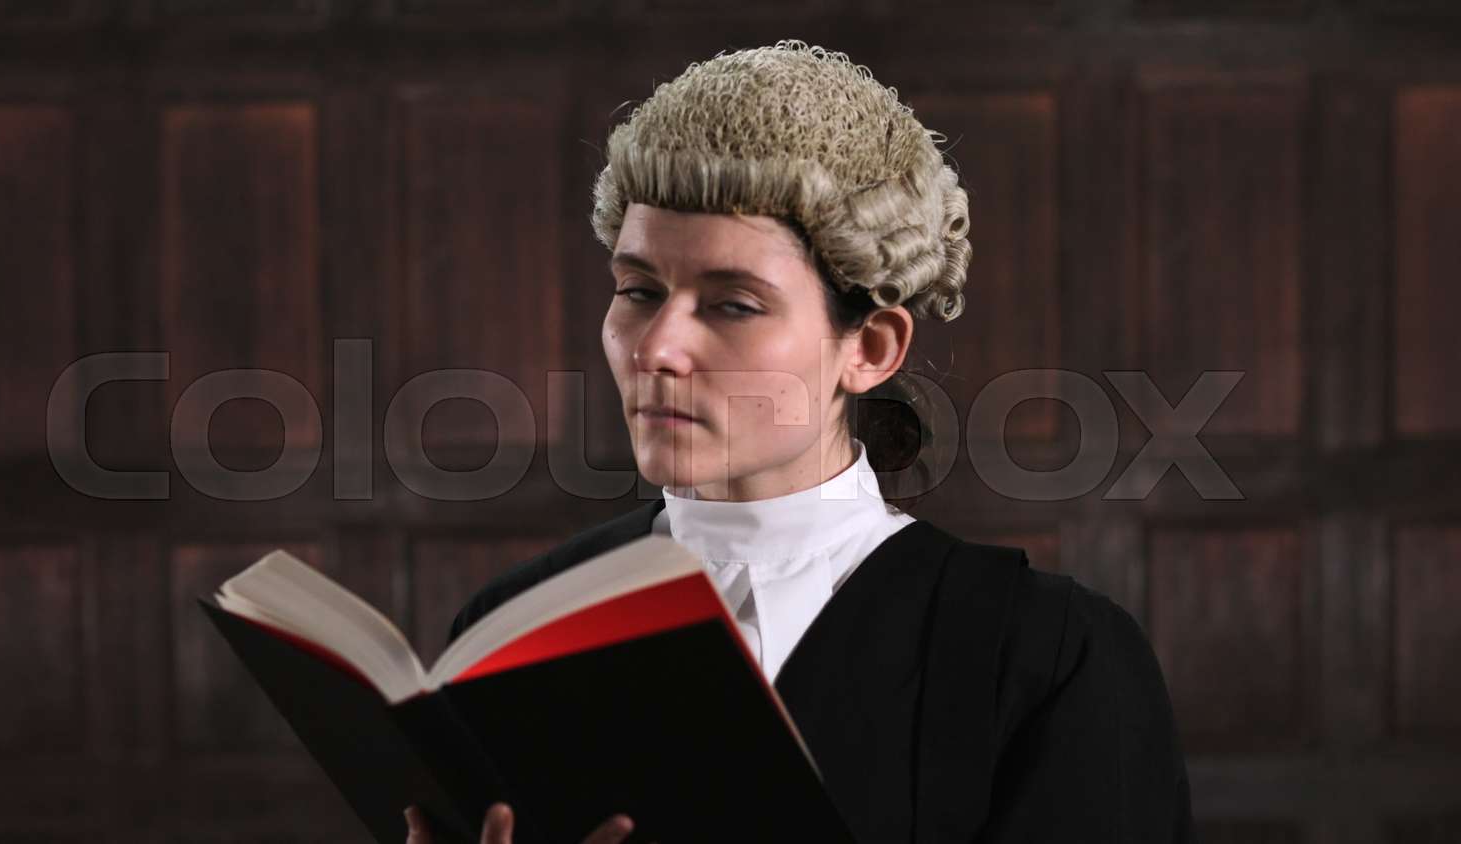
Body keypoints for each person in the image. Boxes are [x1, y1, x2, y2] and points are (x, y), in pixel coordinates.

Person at [407, 39, 1194, 843]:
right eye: (639, 290)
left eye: (733, 305)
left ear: (871, 348)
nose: (655, 349)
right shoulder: (513, 625)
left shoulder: (1048, 658)